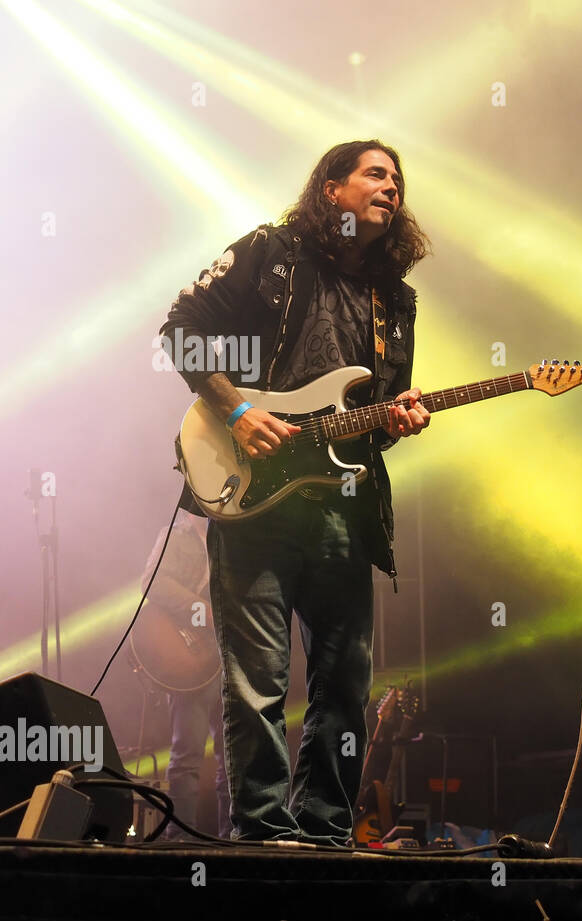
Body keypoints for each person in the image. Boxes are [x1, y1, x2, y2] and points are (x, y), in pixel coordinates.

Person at [160, 141, 431, 845]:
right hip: (254, 500)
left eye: (398, 179)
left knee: (344, 687)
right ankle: (261, 831)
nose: (392, 186)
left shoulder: (394, 299)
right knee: (258, 681)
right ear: (332, 187)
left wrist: (399, 417)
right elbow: (179, 329)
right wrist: (238, 410)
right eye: (376, 173)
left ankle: (324, 831)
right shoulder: (270, 253)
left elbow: (377, 419)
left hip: (343, 505)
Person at [139, 510, 232, 840]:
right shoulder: (174, 535)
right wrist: (200, 611)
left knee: (232, 758)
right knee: (187, 755)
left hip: (228, 659)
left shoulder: (235, 535)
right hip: (189, 659)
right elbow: (152, 582)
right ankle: (180, 844)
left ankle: (233, 842)